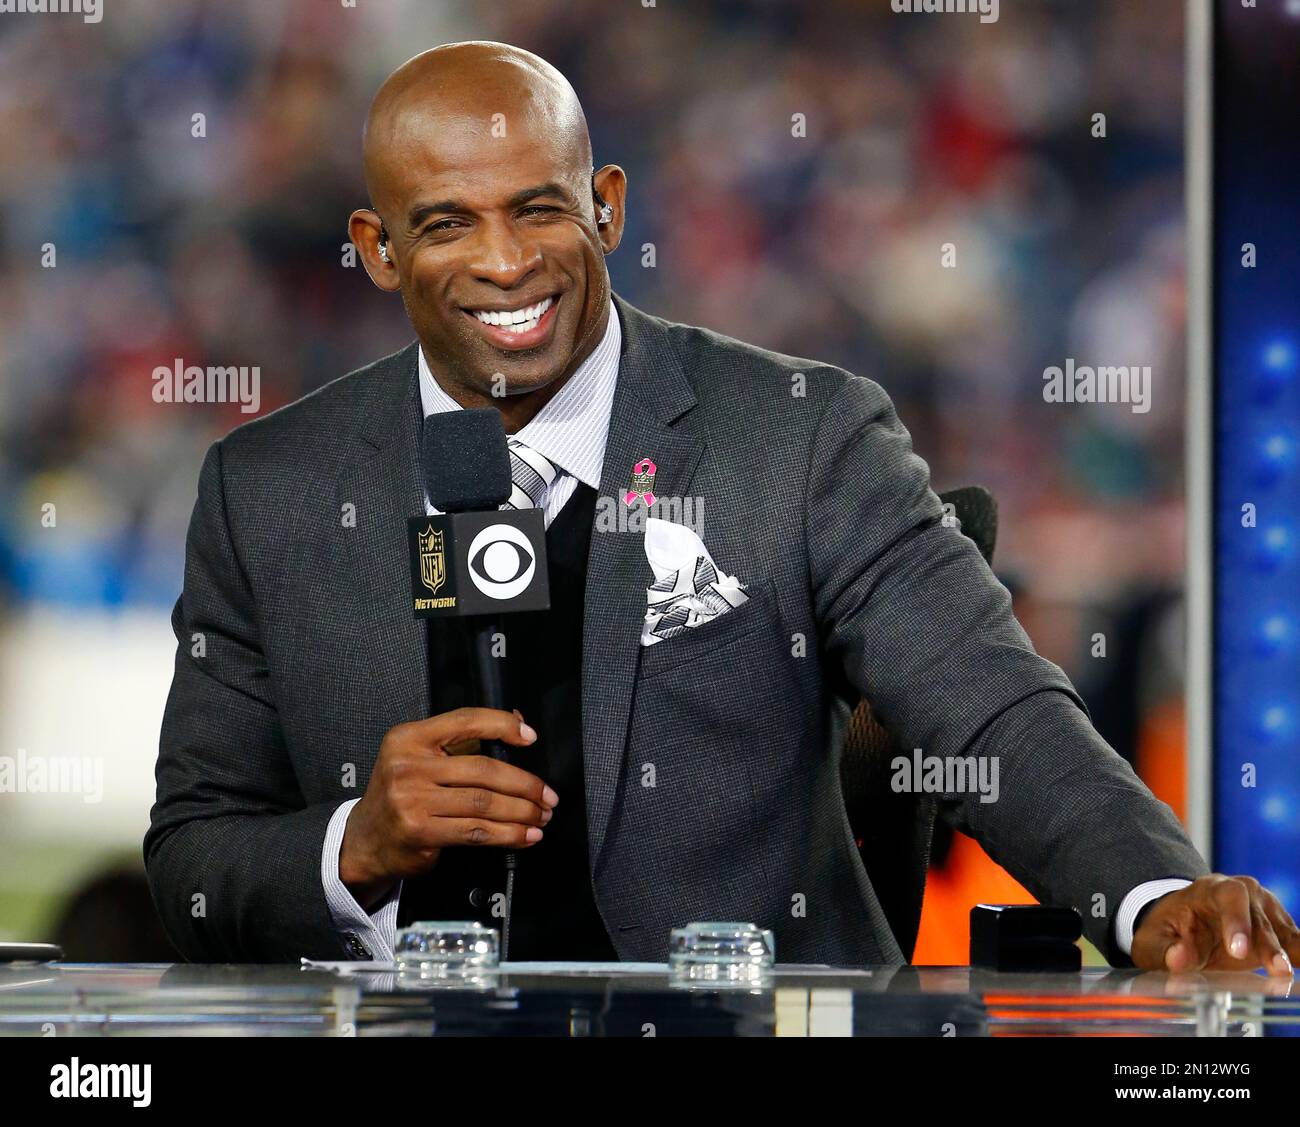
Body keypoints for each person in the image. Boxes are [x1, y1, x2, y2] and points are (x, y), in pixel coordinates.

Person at [145, 41, 1297, 975]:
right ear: (378, 250)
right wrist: (356, 846)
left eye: (538, 209)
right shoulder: (267, 490)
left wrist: (1152, 892)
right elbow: (197, 856)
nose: (503, 261)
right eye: (446, 222)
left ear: (605, 206)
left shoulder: (802, 434)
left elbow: (991, 708)